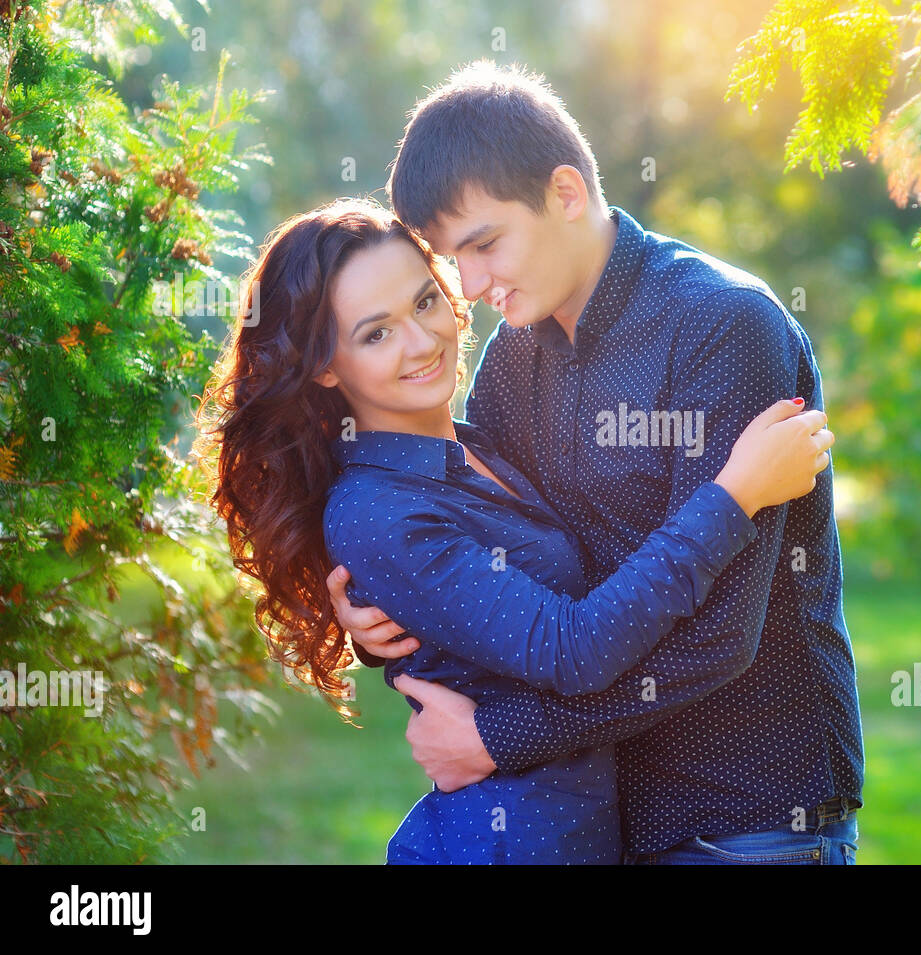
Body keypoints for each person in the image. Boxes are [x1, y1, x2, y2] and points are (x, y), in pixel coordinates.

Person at [330, 61, 865, 865]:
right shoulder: (516, 358)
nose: (469, 287)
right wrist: (383, 613)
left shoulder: (724, 329)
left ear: (566, 193)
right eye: (451, 258)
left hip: (746, 819)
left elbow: (721, 639)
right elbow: (504, 561)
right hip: (602, 820)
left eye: (484, 245)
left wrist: (496, 738)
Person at [196, 196, 834, 863]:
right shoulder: (375, 511)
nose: (421, 342)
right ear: (325, 366)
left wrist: (387, 637)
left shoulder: (482, 448)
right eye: (375, 333)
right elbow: (570, 647)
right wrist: (733, 496)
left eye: (423, 302)